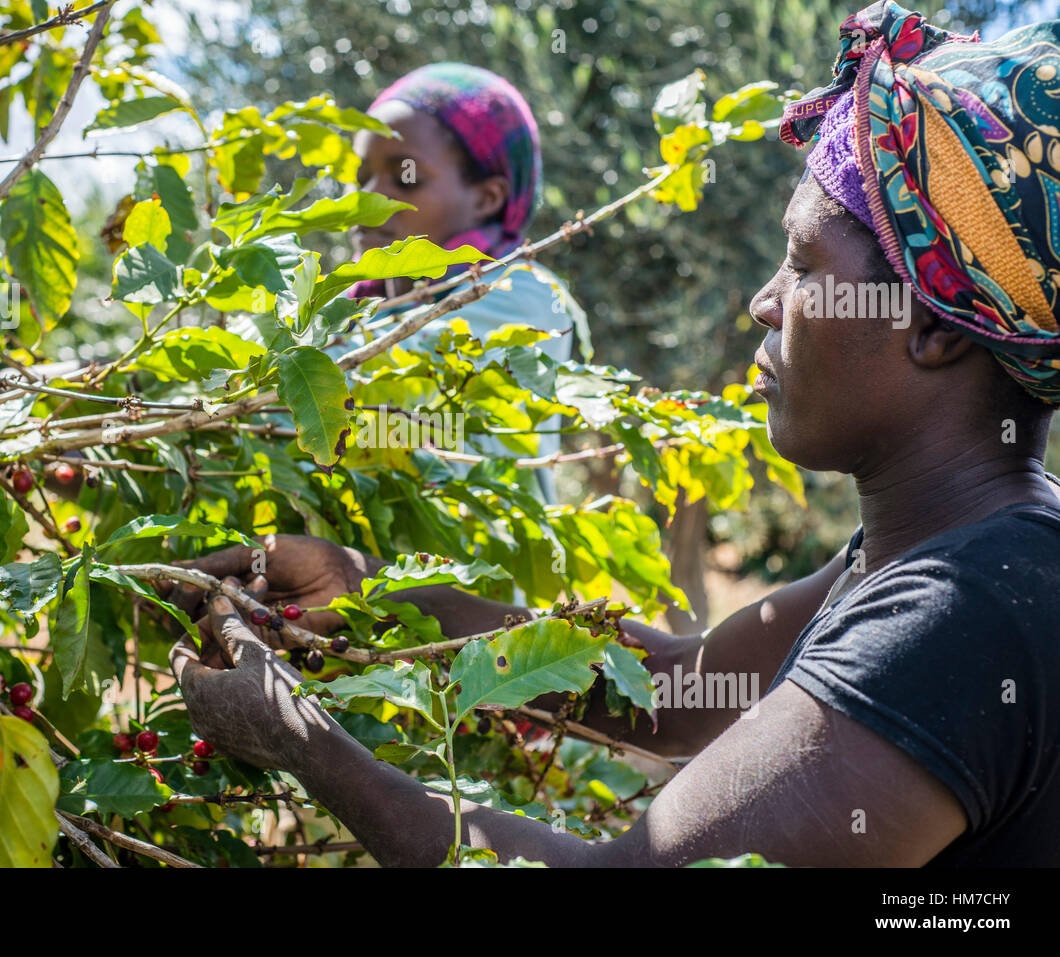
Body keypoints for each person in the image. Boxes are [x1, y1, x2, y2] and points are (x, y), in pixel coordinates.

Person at [162, 3, 1060, 866]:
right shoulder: (935, 558)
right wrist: (370, 598)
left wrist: (305, 744)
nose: (764, 302)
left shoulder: (970, 613)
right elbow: (671, 693)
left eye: (803, 263)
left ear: (936, 325)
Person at [341, 62, 578, 502]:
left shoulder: (520, 293)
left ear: (487, 198)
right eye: (362, 178)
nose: (367, 198)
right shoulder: (349, 307)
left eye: (405, 177)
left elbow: (369, 401)